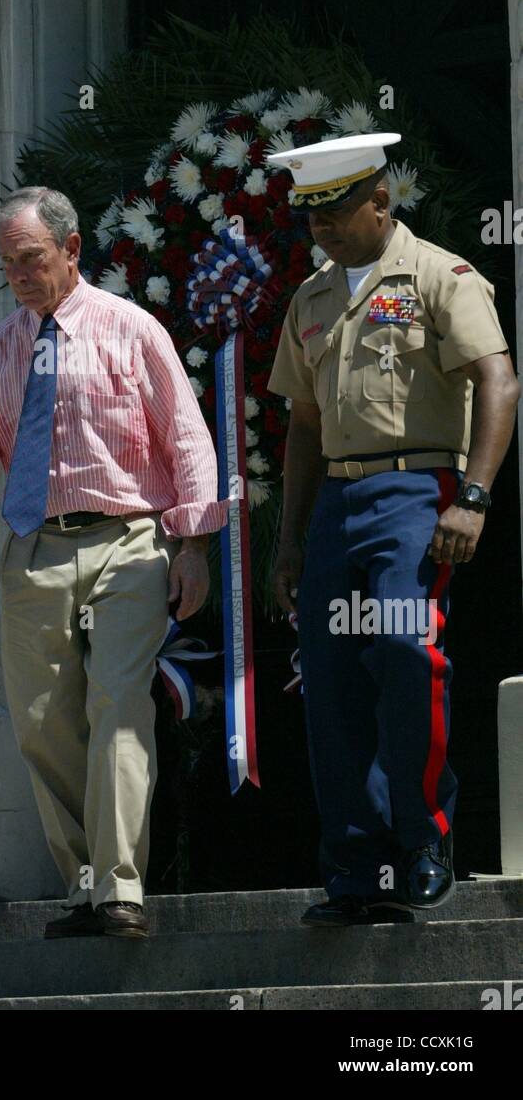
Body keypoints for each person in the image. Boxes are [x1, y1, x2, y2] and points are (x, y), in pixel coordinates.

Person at [0, 186, 228, 940]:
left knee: (117, 706)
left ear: (71, 250)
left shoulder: (131, 329)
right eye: (8, 266)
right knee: (38, 725)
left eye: (32, 261)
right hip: (34, 550)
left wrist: (192, 545)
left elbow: (186, 442)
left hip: (127, 542)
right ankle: (86, 884)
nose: (19, 277)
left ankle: (121, 889)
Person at [267, 134, 519, 926]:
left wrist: (471, 498)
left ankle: (422, 840)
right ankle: (356, 870)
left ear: (381, 201)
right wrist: (288, 538)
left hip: (418, 489)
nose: (323, 228)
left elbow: (497, 380)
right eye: (310, 214)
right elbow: (302, 424)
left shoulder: (439, 275)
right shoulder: (307, 298)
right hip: (337, 504)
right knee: (331, 683)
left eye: (337, 210)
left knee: (407, 653)